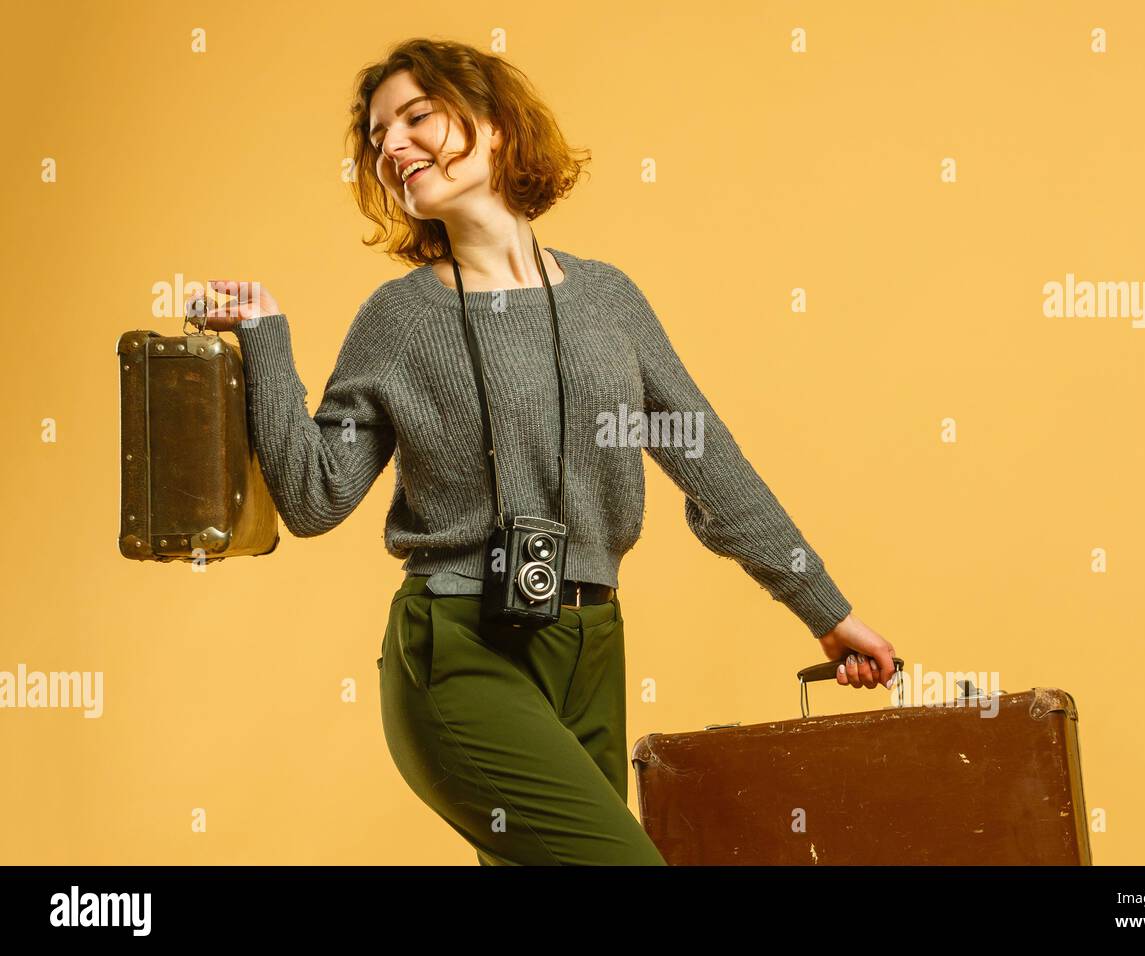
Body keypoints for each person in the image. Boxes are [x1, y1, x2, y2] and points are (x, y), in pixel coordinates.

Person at [188, 37, 898, 866]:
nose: (392, 148)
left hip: (592, 644)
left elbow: (708, 463)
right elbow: (313, 498)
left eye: (416, 117)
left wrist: (825, 609)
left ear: (492, 125)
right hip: (457, 650)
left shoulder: (608, 301)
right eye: (379, 137)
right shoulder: (401, 320)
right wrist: (266, 337)